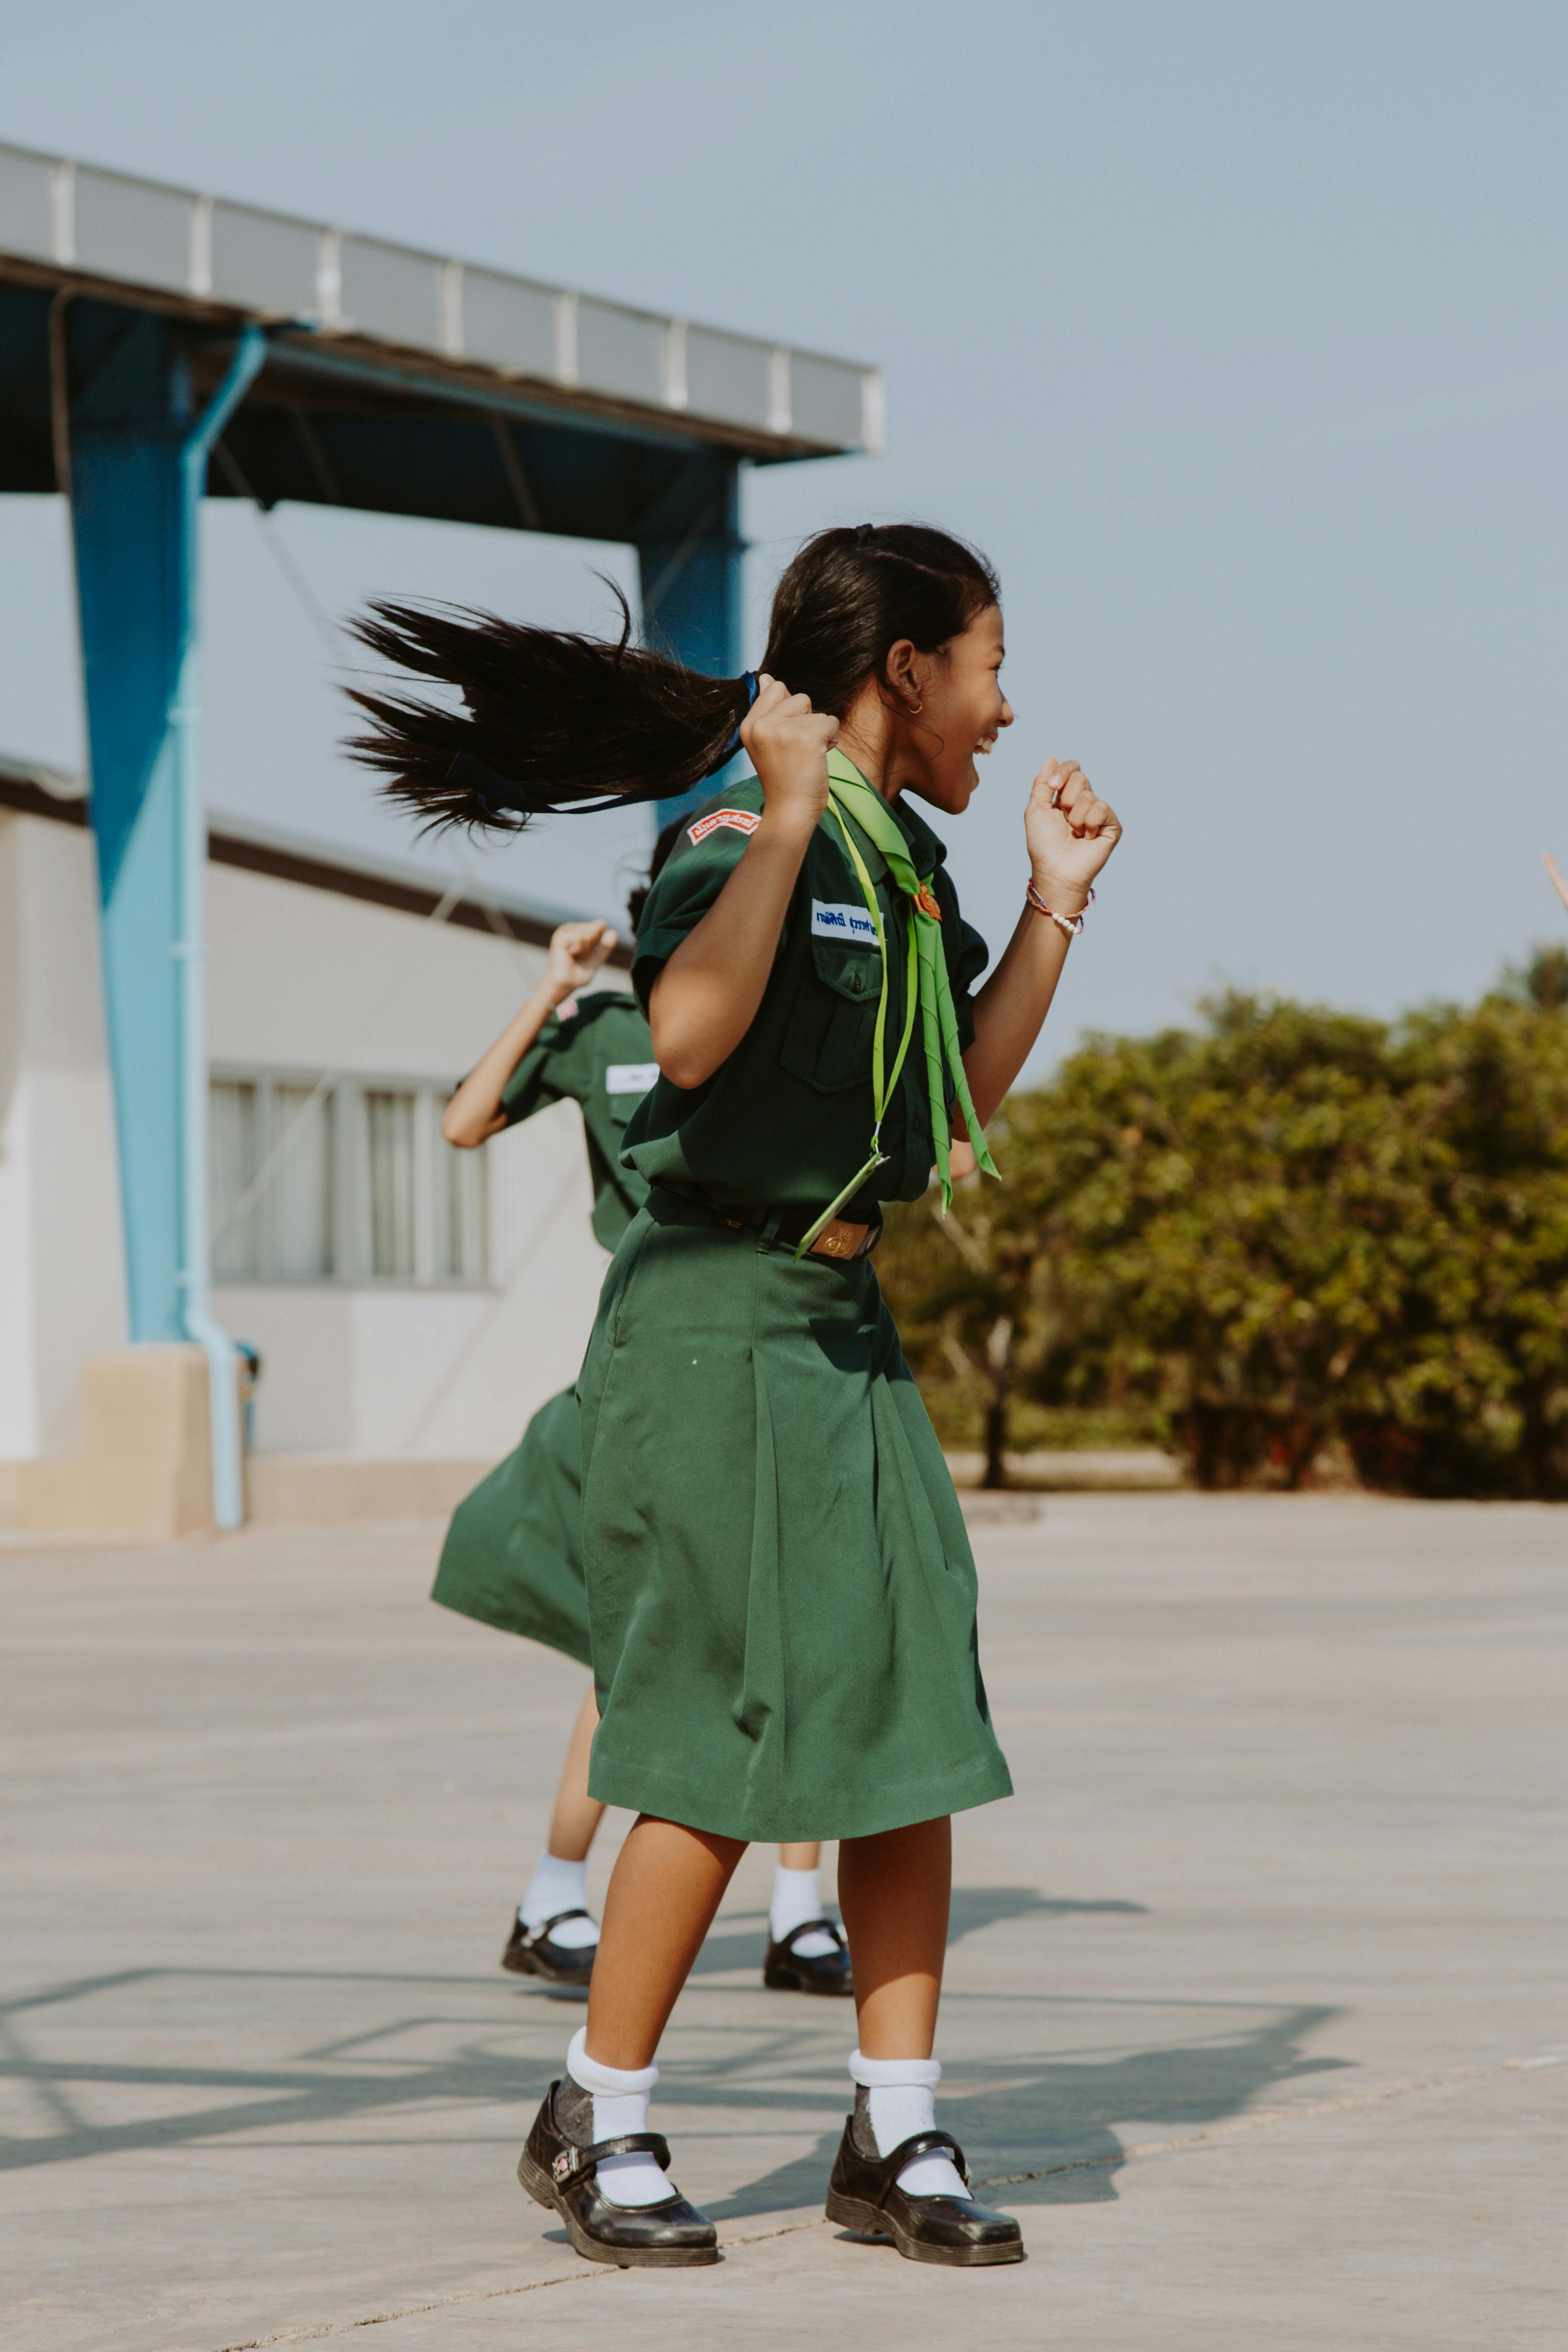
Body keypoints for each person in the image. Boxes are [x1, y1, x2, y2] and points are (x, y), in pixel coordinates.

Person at [350, 524, 1121, 2271]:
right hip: (708, 1320)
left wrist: (1056, 903)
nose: (1004, 709)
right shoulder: (740, 827)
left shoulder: (907, 863)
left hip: (839, 1319)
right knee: (711, 1731)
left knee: (909, 1717)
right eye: (987, 664)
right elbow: (685, 1038)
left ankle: (893, 2119)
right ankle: (596, 2110)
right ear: (903, 667)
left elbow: (943, 1111)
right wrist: (775, 814)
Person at [431, 849, 851, 1998]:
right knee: (649, 1651)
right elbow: (464, 1122)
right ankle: (554, 1893)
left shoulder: (798, 1018)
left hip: (783, 1331)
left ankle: (801, 1914)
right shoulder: (610, 1031)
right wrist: (547, 992)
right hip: (660, 1347)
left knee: (796, 1623)